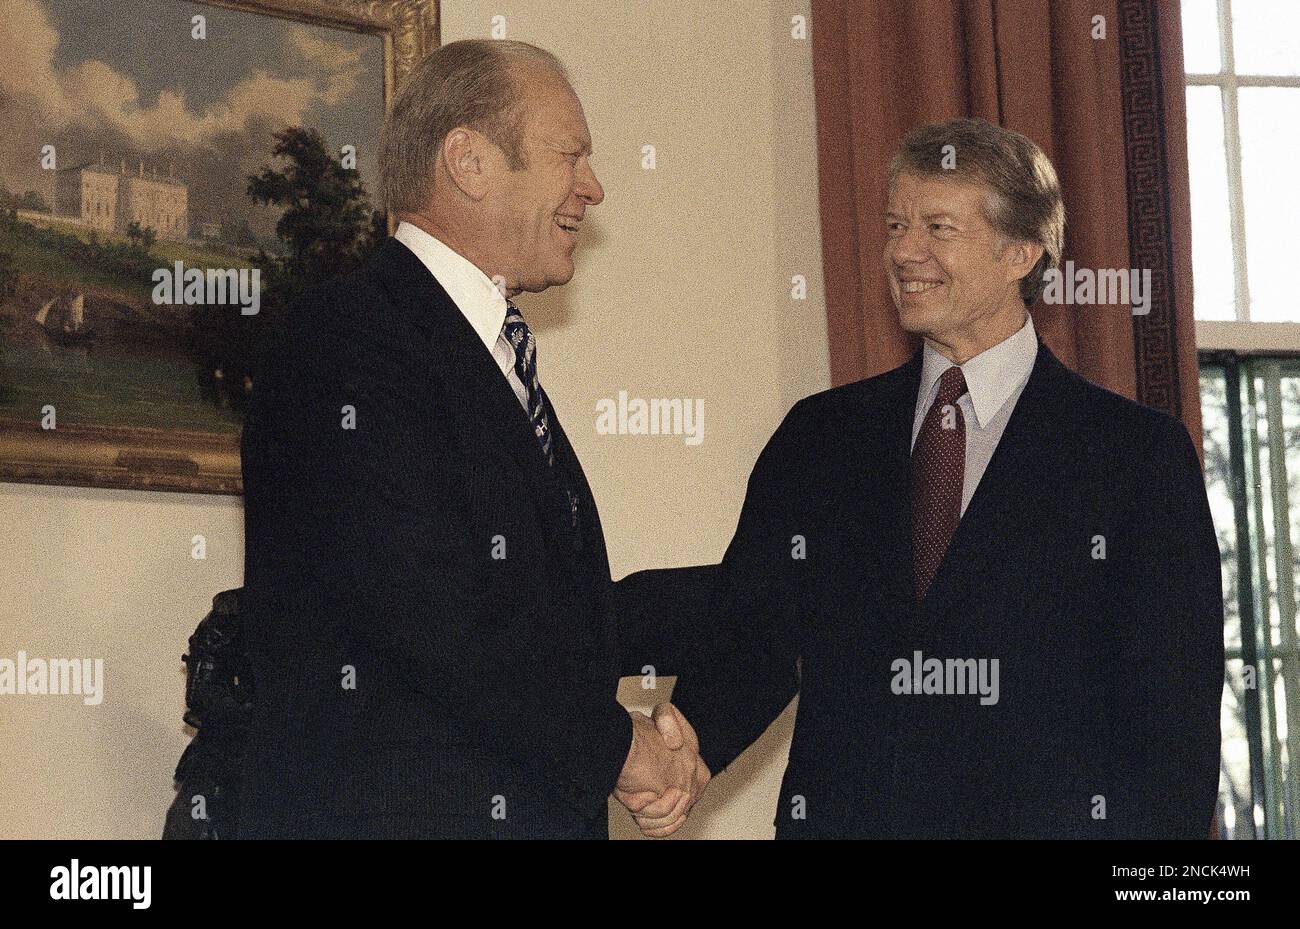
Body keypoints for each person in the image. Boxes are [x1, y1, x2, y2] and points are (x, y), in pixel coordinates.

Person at [631, 118, 1224, 839]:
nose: (903, 251)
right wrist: (691, 749)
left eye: (937, 227)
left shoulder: (1134, 457)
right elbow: (754, 630)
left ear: (1021, 252)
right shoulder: (820, 437)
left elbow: (1172, 727)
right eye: (895, 225)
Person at [237, 39, 705, 839]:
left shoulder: (477, 351)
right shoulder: (348, 338)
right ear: (470, 161)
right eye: (571, 155)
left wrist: (762, 595)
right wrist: (617, 749)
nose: (593, 187)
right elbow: (431, 604)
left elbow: (538, 613)